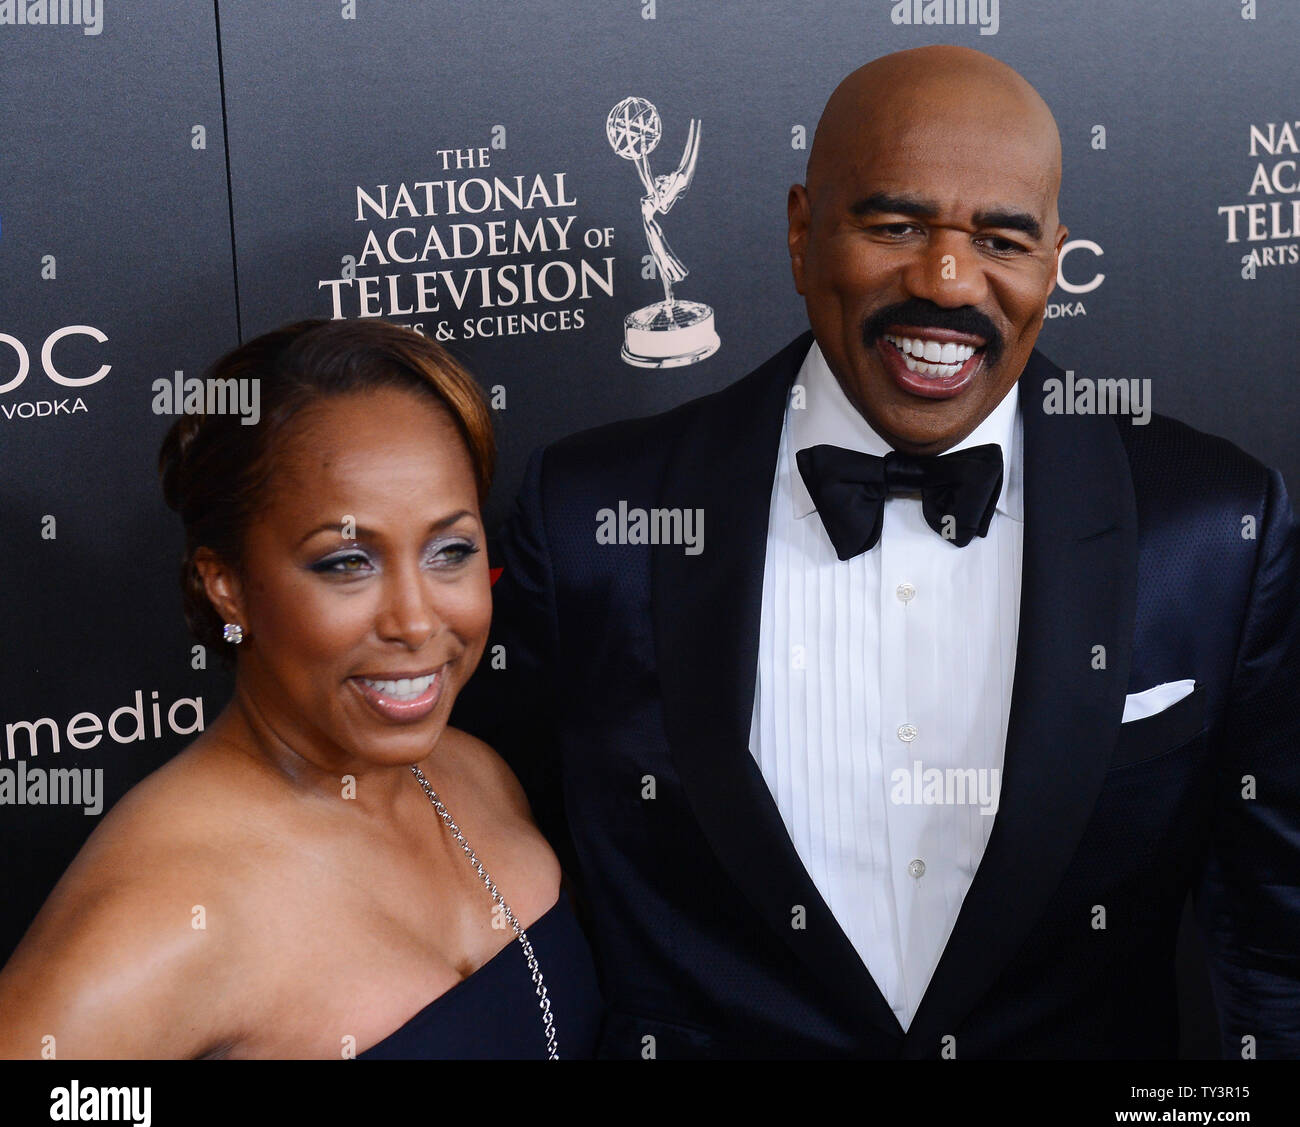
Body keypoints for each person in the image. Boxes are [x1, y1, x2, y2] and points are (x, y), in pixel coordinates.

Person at [454, 45, 1300, 1058]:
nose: (945, 280)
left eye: (1001, 237)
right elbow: (479, 872)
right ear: (803, 230)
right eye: (894, 225)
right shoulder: (593, 515)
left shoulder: (1210, 526)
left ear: (1054, 258)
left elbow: (1274, 938)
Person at [0, 319, 601, 1059]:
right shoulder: (160, 913)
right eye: (347, 562)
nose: (416, 621)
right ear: (226, 588)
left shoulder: (478, 774)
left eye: (450, 551)